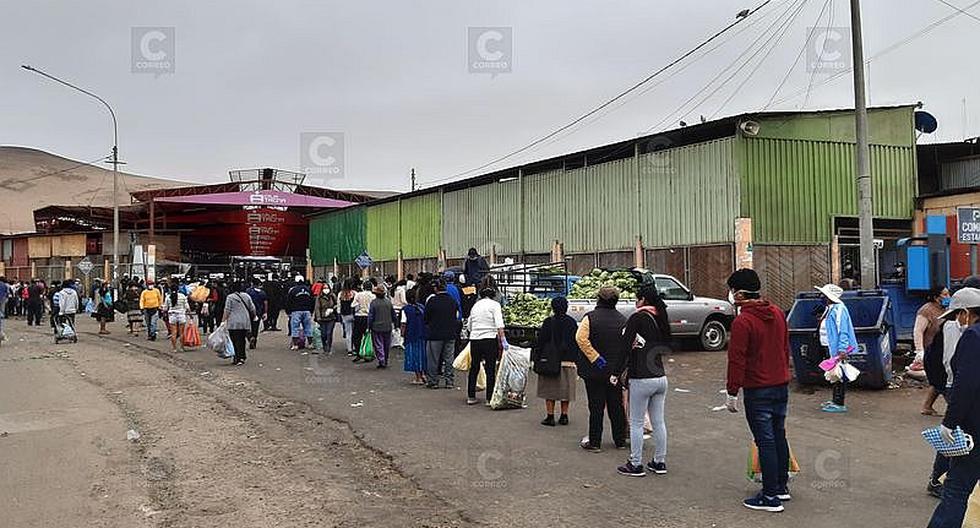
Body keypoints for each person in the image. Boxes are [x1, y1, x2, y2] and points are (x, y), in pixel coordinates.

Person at [725, 268, 793, 513]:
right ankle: (781, 486)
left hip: (758, 389)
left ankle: (770, 496)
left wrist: (732, 391)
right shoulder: (776, 312)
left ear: (740, 294)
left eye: (732, 291)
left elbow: (737, 359)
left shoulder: (743, 321)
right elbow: (785, 348)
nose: (731, 296)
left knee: (765, 441)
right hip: (780, 385)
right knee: (778, 435)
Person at [928, 287, 980, 527]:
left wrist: (949, 423)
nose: (958, 321)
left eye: (957, 315)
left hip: (975, 428)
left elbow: (965, 384)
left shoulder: (973, 336)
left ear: (967, 313)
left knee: (957, 488)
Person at [615, 285, 672, 477]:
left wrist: (615, 372)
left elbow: (623, 347)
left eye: (636, 299)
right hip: (660, 377)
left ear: (643, 300)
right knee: (658, 422)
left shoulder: (637, 318)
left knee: (637, 422)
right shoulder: (660, 317)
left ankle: (636, 463)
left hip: (641, 377)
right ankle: (659, 461)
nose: (635, 302)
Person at [575, 286, 627, 452]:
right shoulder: (623, 320)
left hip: (595, 371)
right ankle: (620, 441)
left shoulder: (590, 318)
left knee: (596, 406)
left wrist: (596, 358)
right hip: (615, 372)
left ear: (598, 299)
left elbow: (580, 339)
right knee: (616, 406)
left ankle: (595, 442)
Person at [533, 296, 579, 427]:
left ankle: (550, 415)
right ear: (566, 307)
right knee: (566, 391)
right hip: (568, 361)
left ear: (552, 307)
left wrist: (537, 358)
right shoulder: (571, 322)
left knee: (550, 389)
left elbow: (541, 341)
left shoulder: (548, 322)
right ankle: (564, 415)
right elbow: (575, 341)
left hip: (551, 361)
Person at [816, 283, 857, 413]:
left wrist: (842, 349)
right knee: (833, 374)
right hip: (830, 347)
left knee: (838, 374)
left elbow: (842, 330)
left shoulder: (839, 309)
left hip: (837, 349)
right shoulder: (831, 308)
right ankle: (835, 400)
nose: (821, 297)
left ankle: (839, 402)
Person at [465, 287, 506, 405]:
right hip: (489, 338)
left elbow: (469, 325)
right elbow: (499, 324)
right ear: (493, 295)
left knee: (474, 367)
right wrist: (503, 341)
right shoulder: (495, 305)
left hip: (475, 339)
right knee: (490, 368)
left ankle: (471, 396)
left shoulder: (475, 306)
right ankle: (489, 398)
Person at [424, 279, 460, 389]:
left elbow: (426, 318)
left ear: (436, 288)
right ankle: (449, 381)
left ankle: (433, 381)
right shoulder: (452, 301)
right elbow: (457, 316)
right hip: (450, 333)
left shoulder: (432, 301)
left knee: (433, 359)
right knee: (449, 359)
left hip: (435, 334)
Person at [223, 282, 257, 366]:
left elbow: (227, 310)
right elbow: (252, 308)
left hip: (233, 322)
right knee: (241, 340)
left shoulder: (230, 297)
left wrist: (223, 321)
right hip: (244, 321)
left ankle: (237, 357)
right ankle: (242, 356)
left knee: (234, 340)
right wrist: (254, 316)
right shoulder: (246, 296)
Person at [401, 289, 427, 384]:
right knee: (422, 355)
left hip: (411, 335)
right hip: (422, 334)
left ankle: (418, 377)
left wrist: (402, 334)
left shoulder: (406, 309)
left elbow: (403, 324)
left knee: (414, 356)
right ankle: (423, 374)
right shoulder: (421, 307)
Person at [368, 285, 397, 368]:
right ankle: (385, 359)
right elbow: (393, 314)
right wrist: (395, 323)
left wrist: (369, 326)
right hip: (387, 326)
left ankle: (382, 359)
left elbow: (371, 316)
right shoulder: (388, 302)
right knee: (386, 345)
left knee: (378, 344)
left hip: (376, 327)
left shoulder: (373, 303)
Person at [285, 276, 315, 350]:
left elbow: (288, 301)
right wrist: (311, 311)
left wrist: (288, 311)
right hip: (307, 311)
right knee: (308, 327)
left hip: (296, 311)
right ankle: (310, 344)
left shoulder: (293, 290)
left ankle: (295, 345)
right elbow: (312, 301)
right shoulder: (308, 290)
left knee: (295, 328)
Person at [352, 280, 374, 360]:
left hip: (359, 316)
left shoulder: (358, 295)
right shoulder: (373, 296)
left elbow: (353, 305)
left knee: (357, 336)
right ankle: (368, 353)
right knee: (368, 336)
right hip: (369, 317)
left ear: (363, 287)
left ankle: (359, 353)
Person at [313, 283, 338, 353]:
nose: (326, 290)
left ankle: (329, 347)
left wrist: (332, 309)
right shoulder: (319, 297)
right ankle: (324, 346)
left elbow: (337, 304)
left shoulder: (332, 296)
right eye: (324, 288)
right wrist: (318, 317)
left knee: (329, 333)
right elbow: (317, 308)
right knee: (323, 334)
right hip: (322, 318)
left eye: (327, 288)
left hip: (331, 318)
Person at [164, 286, 190, 352]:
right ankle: (182, 347)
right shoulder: (182, 296)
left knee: (173, 333)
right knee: (181, 333)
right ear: (178, 290)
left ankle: (174, 348)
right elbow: (187, 307)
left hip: (172, 316)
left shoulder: (168, 297)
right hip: (181, 315)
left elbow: (165, 308)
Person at [245, 280, 268, 349]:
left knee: (247, 327)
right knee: (255, 327)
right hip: (258, 312)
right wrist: (265, 312)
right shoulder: (262, 292)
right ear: (259, 284)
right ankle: (254, 340)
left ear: (252, 283)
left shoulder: (248, 291)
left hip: (248, 311)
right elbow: (265, 303)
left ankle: (249, 337)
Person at [339, 280, 356, 355]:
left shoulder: (341, 294)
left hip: (345, 315)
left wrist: (339, 314)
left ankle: (349, 349)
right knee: (355, 332)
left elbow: (339, 305)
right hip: (353, 314)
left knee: (348, 332)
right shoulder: (354, 293)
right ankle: (355, 347)